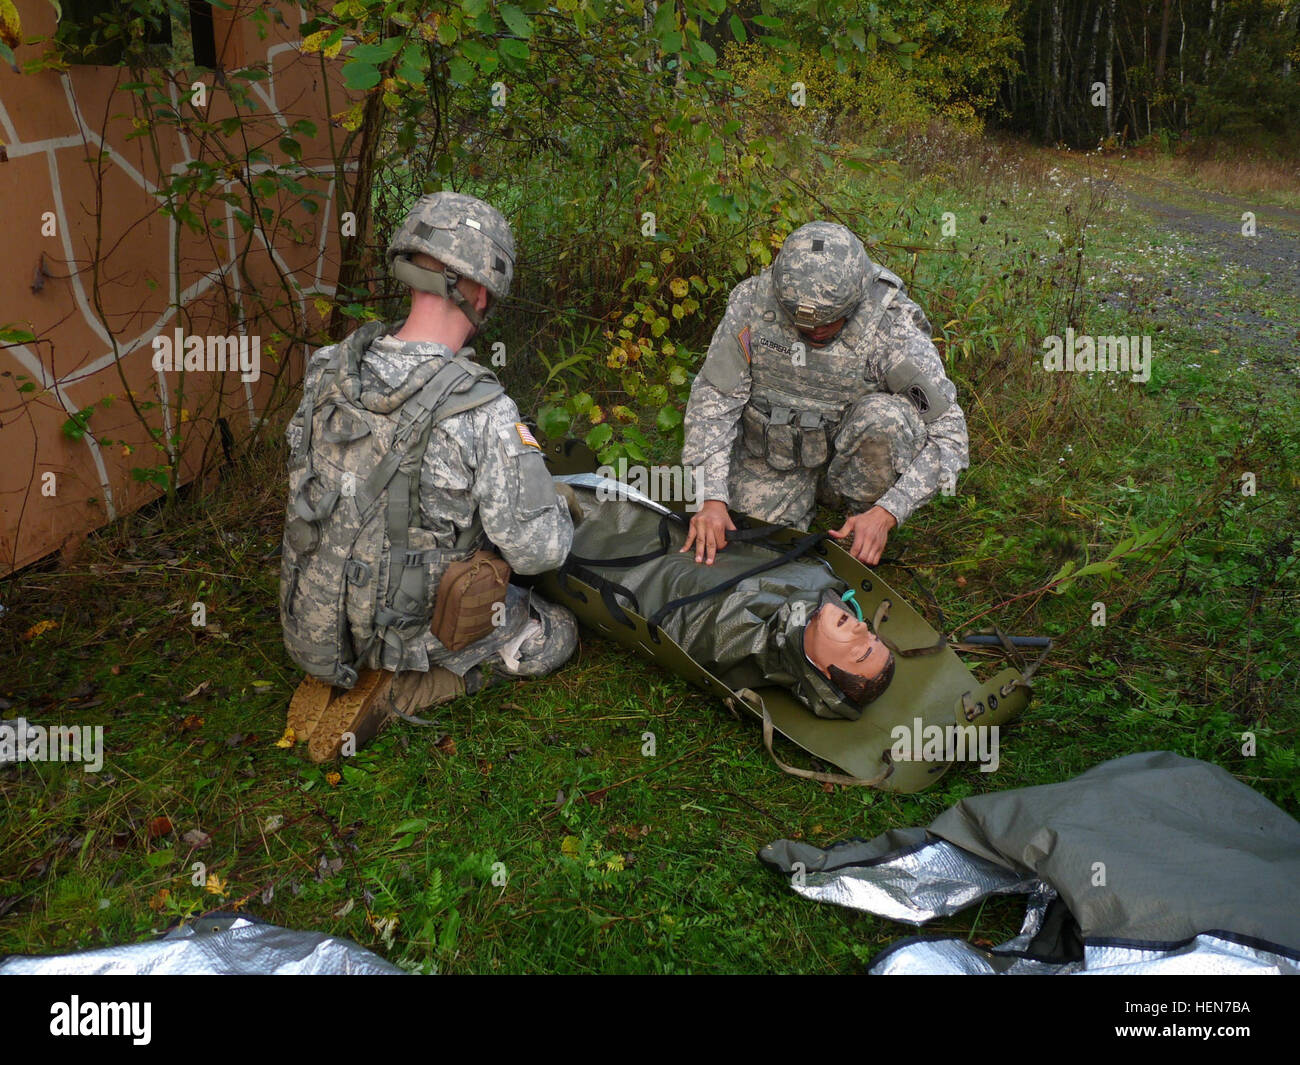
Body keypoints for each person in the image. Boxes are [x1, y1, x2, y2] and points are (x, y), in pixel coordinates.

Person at [279, 192, 580, 762]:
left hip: (315, 608)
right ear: (482, 292)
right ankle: (408, 687)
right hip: (407, 628)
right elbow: (539, 551)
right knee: (553, 632)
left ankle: (338, 661)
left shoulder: (327, 369)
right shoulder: (482, 409)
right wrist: (556, 504)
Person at [680, 221, 969, 568]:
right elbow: (713, 401)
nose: (814, 331)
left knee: (886, 419)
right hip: (776, 458)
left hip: (854, 462)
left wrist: (889, 511)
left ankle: (862, 519)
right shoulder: (753, 305)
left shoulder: (891, 328)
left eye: (827, 323)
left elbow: (948, 432)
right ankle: (798, 503)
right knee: (747, 553)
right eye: (803, 324)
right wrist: (710, 497)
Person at [558, 480, 895, 721]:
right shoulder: (826, 585)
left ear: (820, 676)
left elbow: (686, 621)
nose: (862, 627)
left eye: (859, 651)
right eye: (872, 636)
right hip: (621, 503)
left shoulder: (736, 642)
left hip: (596, 536)